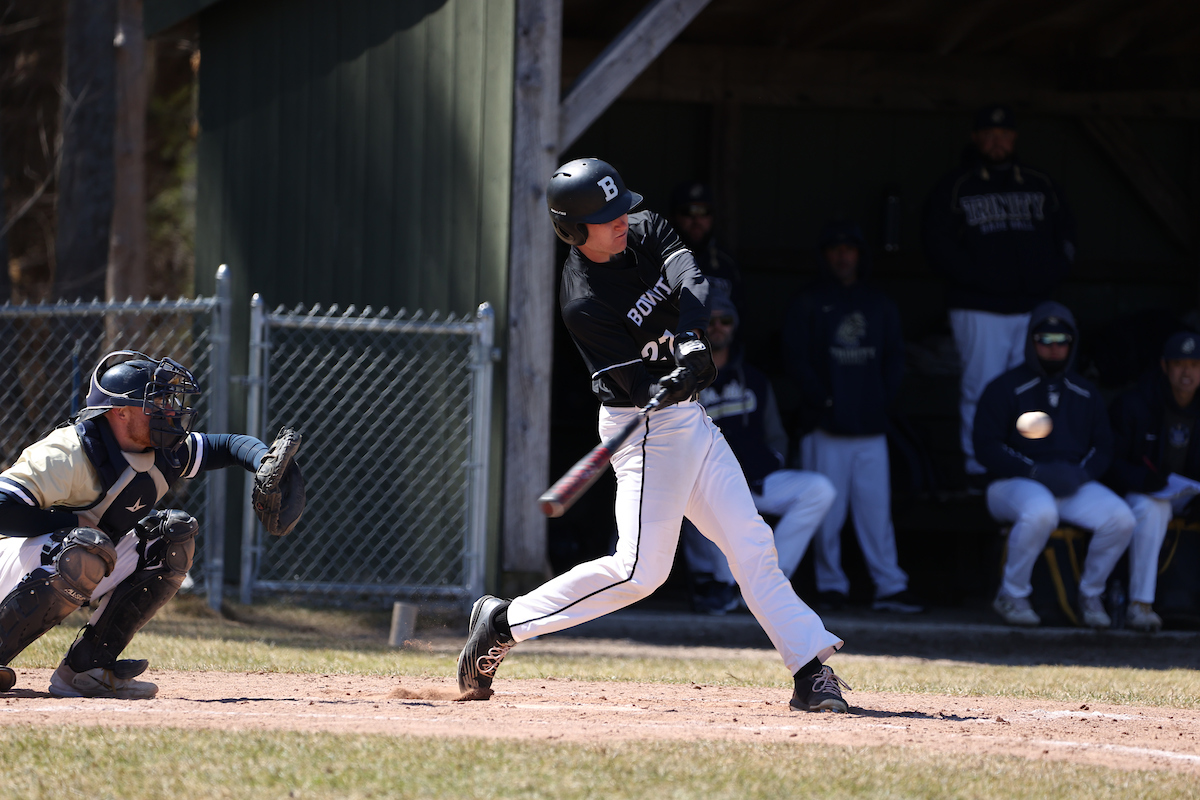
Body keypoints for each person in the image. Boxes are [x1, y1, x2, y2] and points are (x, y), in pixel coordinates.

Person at [457, 158, 852, 713]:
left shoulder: (639, 227)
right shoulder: (584, 302)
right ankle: (503, 622)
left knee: (751, 544)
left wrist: (688, 336)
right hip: (642, 426)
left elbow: (689, 273)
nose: (624, 220)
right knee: (641, 571)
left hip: (688, 418)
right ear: (574, 230)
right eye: (607, 216)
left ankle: (811, 670)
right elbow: (636, 385)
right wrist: (677, 367)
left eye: (622, 209)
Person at [0, 350, 304, 697]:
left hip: (72, 557)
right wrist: (72, 523)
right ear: (121, 412)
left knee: (172, 537)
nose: (170, 410)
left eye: (169, 400)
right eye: (157, 402)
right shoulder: (68, 452)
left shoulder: (164, 450)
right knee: (85, 546)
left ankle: (88, 670)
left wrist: (263, 462)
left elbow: (229, 445)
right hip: (11, 563)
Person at [922, 104, 1077, 486]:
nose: (997, 141)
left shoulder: (1040, 183)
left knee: (1031, 389)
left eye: (1004, 134)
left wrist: (1049, 274)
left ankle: (1023, 461)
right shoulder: (958, 185)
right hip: (979, 308)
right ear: (976, 138)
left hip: (1031, 307)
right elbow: (936, 244)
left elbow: (1067, 236)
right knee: (982, 386)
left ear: (1014, 138)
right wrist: (980, 277)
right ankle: (979, 468)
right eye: (989, 134)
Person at [783, 220, 923, 614]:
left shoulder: (880, 303)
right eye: (836, 249)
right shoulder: (808, 301)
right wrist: (823, 401)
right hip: (824, 428)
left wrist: (880, 401)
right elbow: (796, 359)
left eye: (851, 250)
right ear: (825, 255)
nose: (843, 256)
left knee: (876, 513)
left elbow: (896, 359)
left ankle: (890, 587)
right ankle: (831, 587)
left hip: (871, 427)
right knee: (827, 513)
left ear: (861, 256)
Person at [974, 302, 1135, 628]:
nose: (1053, 346)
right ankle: (1012, 594)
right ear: (1031, 340)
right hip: (1011, 484)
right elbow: (986, 447)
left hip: (1070, 483)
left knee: (1121, 519)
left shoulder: (1085, 393)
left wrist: (1082, 474)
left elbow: (1104, 447)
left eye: (1061, 339)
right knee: (1040, 510)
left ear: (1072, 343)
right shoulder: (1004, 387)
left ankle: (1090, 595)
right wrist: (1033, 471)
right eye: (1044, 338)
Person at [680, 288, 836, 615]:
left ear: (735, 326)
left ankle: (772, 580)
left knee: (819, 490)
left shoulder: (754, 379)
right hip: (710, 487)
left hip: (757, 480)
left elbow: (777, 437)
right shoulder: (683, 382)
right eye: (712, 321)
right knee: (688, 494)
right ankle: (721, 585)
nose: (719, 327)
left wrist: (765, 465)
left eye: (726, 320)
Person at [1105, 330, 1200, 632]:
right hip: (1141, 491)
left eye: (1195, 365)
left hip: (1189, 493)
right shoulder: (1135, 404)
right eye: (1179, 364)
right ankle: (1140, 605)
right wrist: (1143, 478)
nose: (1188, 372)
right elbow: (1110, 462)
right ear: (1165, 366)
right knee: (1153, 507)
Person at [669, 181, 742, 306]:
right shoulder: (659, 261)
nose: (697, 220)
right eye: (689, 211)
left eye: (704, 212)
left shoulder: (726, 264)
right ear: (675, 216)